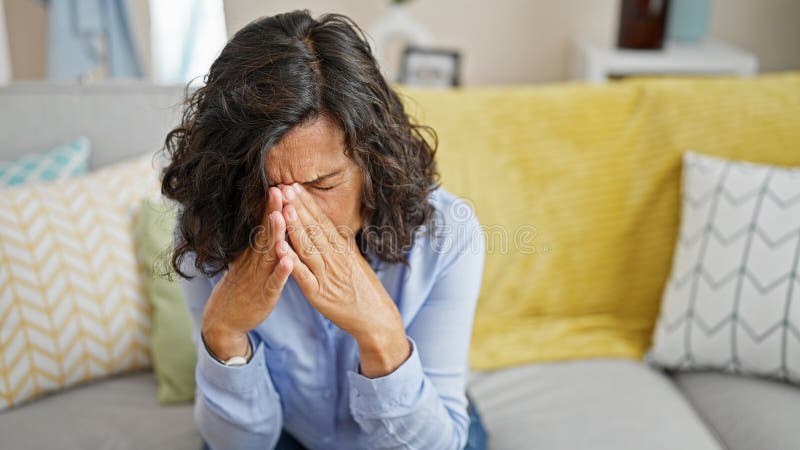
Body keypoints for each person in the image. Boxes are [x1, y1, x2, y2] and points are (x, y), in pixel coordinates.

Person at [161, 9, 487, 450]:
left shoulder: (448, 235)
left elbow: (436, 443)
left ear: (372, 165)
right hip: (285, 432)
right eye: (266, 187)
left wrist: (380, 332)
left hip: (420, 419)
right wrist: (223, 335)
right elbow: (238, 446)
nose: (292, 214)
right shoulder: (208, 225)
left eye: (323, 185)